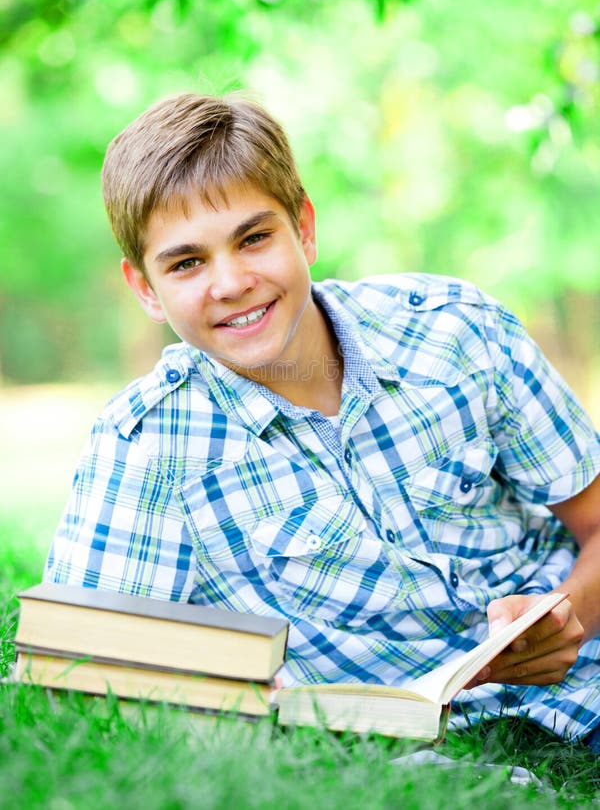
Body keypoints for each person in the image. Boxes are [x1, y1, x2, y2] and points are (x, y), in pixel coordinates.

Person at [44, 92, 600, 746]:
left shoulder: (456, 332)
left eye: (253, 238)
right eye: (187, 262)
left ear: (304, 228)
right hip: (401, 744)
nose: (230, 282)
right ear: (144, 288)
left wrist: (571, 614)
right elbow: (79, 674)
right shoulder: (147, 445)